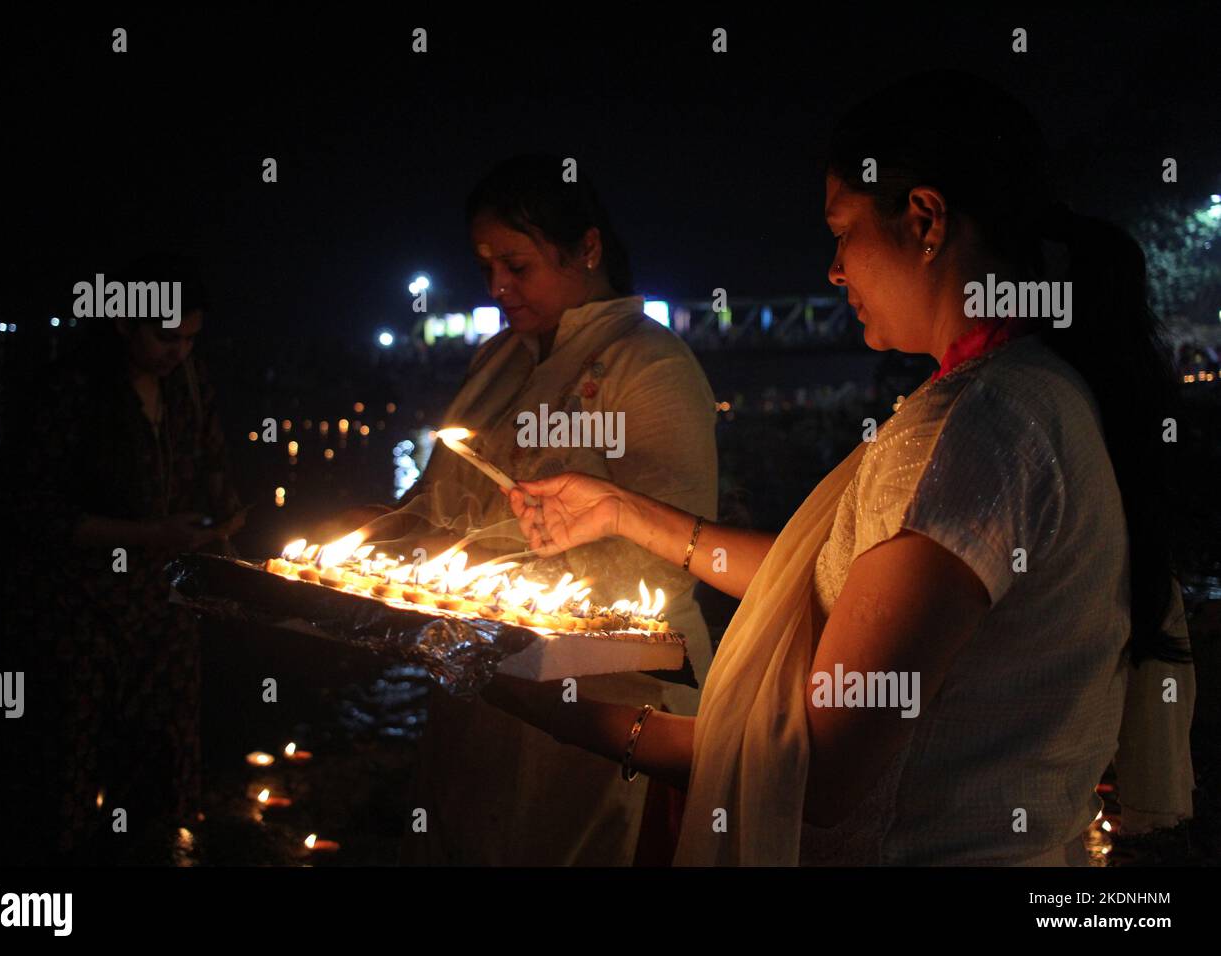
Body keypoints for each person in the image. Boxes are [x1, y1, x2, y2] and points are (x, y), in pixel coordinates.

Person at [486, 72, 1196, 865]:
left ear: (924, 219)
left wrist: (549, 703)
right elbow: (838, 582)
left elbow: (820, 769)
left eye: (843, 230)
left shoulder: (979, 430)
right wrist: (623, 511)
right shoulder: (1039, 389)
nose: (832, 269)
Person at [388, 154, 719, 865]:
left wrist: (504, 569)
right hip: (485, 680)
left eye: (517, 265)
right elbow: (437, 501)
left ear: (588, 250)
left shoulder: (649, 365)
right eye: (486, 270)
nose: (499, 288)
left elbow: (671, 559)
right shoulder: (499, 359)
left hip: (606, 701)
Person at [0, 254, 245, 861]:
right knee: (68, 758)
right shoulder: (70, 391)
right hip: (77, 605)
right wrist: (148, 532)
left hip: (166, 602)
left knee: (163, 754)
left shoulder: (188, 381)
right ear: (123, 324)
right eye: (165, 337)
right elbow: (37, 515)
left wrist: (224, 522)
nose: (178, 351)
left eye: (189, 338)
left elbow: (213, 466)